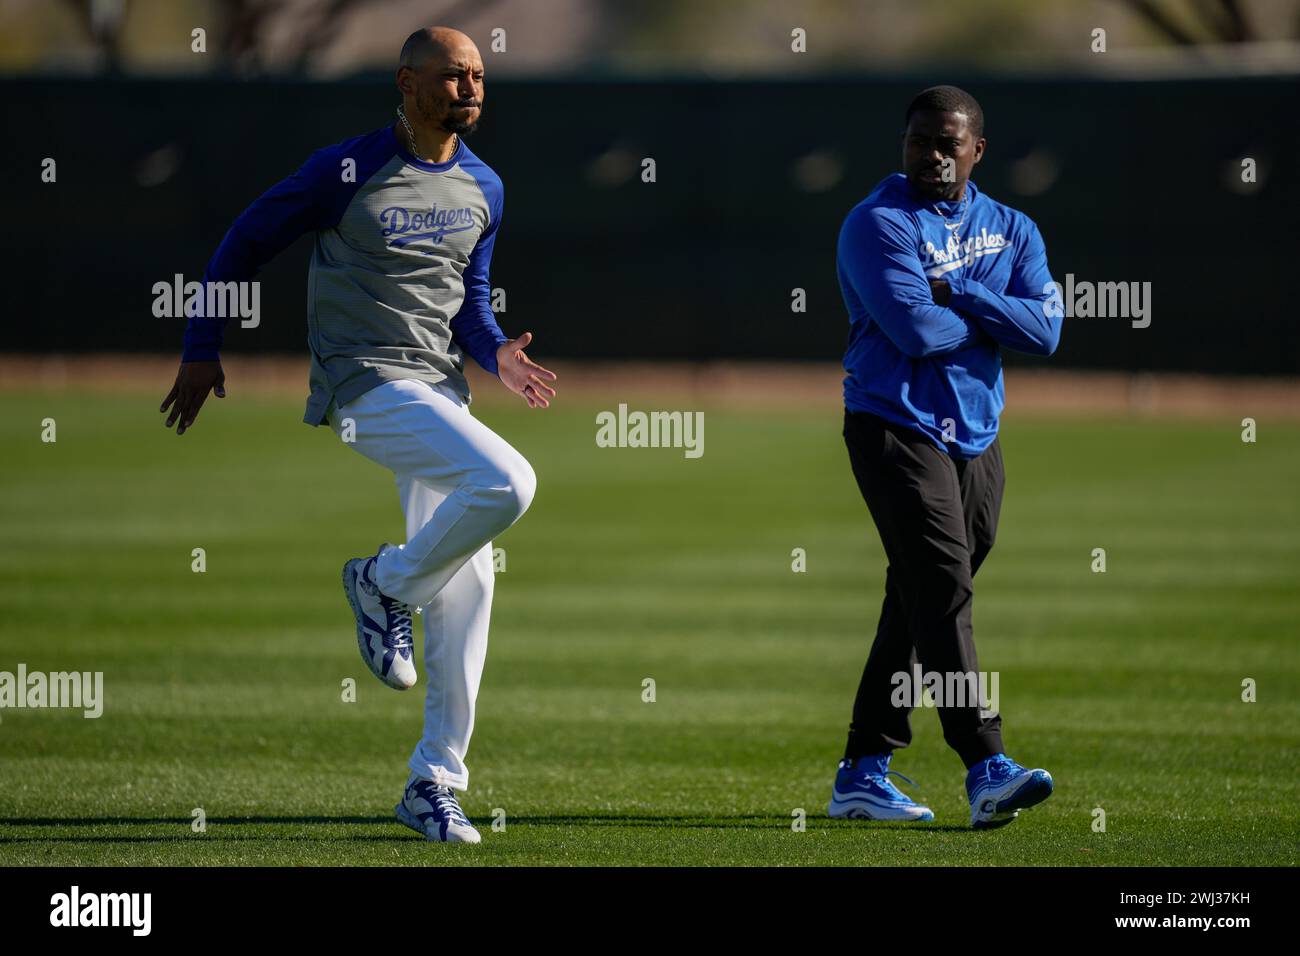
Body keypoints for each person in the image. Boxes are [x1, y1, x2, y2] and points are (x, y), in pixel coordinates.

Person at [160, 26, 556, 843]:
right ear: (408, 82)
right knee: (510, 483)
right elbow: (243, 240)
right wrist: (202, 346)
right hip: (363, 387)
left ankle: (434, 784)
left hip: (441, 394)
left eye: (479, 75)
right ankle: (381, 582)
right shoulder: (345, 169)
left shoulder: (487, 185)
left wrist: (497, 356)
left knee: (471, 592)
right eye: (453, 76)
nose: (471, 88)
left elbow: (469, 302)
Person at [829, 85, 1060, 829]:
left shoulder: (1013, 226)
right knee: (942, 587)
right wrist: (999, 317)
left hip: (978, 437)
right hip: (894, 427)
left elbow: (1049, 333)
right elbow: (915, 334)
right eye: (919, 141)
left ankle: (862, 771)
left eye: (947, 144)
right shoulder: (877, 223)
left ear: (976, 151)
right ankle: (985, 763)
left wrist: (960, 289)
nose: (931, 156)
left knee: (920, 601)